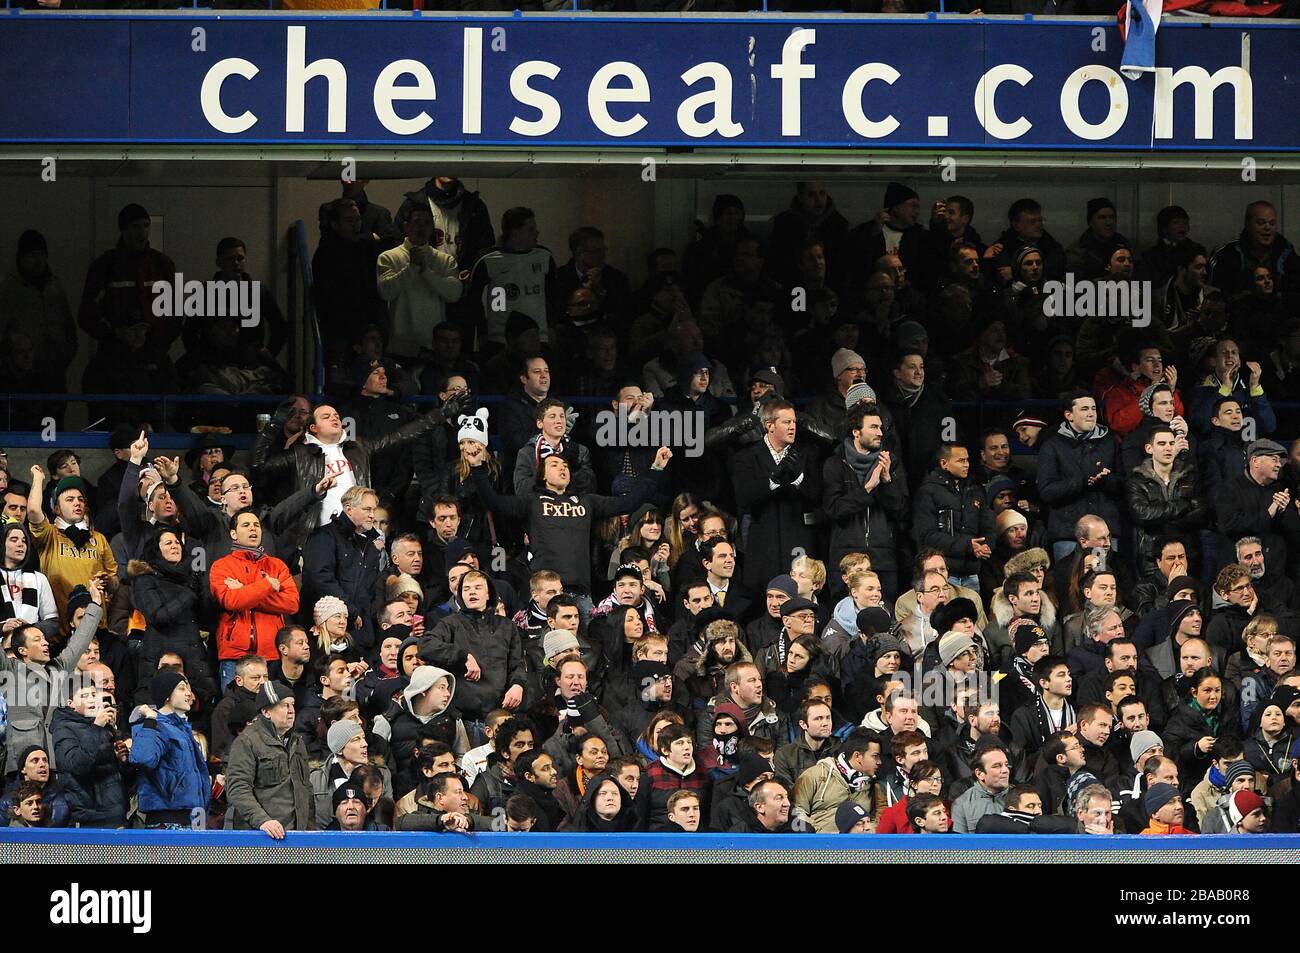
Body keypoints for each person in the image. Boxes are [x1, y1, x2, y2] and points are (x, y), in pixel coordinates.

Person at [210, 511, 300, 688]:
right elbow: (230, 601)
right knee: (235, 711)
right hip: (235, 656)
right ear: (233, 534)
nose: (253, 528)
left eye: (257, 525)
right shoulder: (221, 565)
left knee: (271, 712)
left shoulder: (277, 565)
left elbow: (291, 603)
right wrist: (267, 586)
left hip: (271, 655)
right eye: (246, 525)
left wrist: (244, 592)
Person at [1036, 392, 1123, 563]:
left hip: (1104, 535)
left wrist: (1105, 481)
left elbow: (1123, 483)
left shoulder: (1110, 442)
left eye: (1093, 409)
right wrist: (1082, 481)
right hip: (1068, 533)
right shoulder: (1052, 445)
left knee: (1101, 582)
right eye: (1084, 409)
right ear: (1069, 415)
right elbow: (1046, 491)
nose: (1091, 413)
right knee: (1071, 585)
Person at [225, 681, 315, 837]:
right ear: (266, 712)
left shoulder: (297, 742)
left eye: (292, 705)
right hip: (261, 836)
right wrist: (262, 821)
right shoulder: (247, 742)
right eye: (284, 705)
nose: (291, 711)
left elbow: (306, 789)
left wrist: (310, 830)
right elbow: (237, 789)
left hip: (298, 836)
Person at [128, 671, 210, 828]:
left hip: (195, 818)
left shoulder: (182, 729)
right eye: (182, 688)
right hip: (167, 820)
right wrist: (150, 719)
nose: (189, 694)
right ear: (166, 695)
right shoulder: (152, 725)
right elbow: (143, 758)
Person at [50, 679, 129, 829]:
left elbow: (121, 775)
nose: (92, 699)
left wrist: (121, 759)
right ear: (70, 703)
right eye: (85, 696)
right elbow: (76, 765)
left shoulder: (101, 726)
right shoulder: (63, 729)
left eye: (94, 694)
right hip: (92, 818)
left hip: (117, 814)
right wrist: (96, 727)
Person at [950, 744, 1012, 832]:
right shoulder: (961, 805)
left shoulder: (1022, 798)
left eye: (1006, 765)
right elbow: (960, 844)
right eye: (997, 766)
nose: (1005, 770)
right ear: (979, 774)